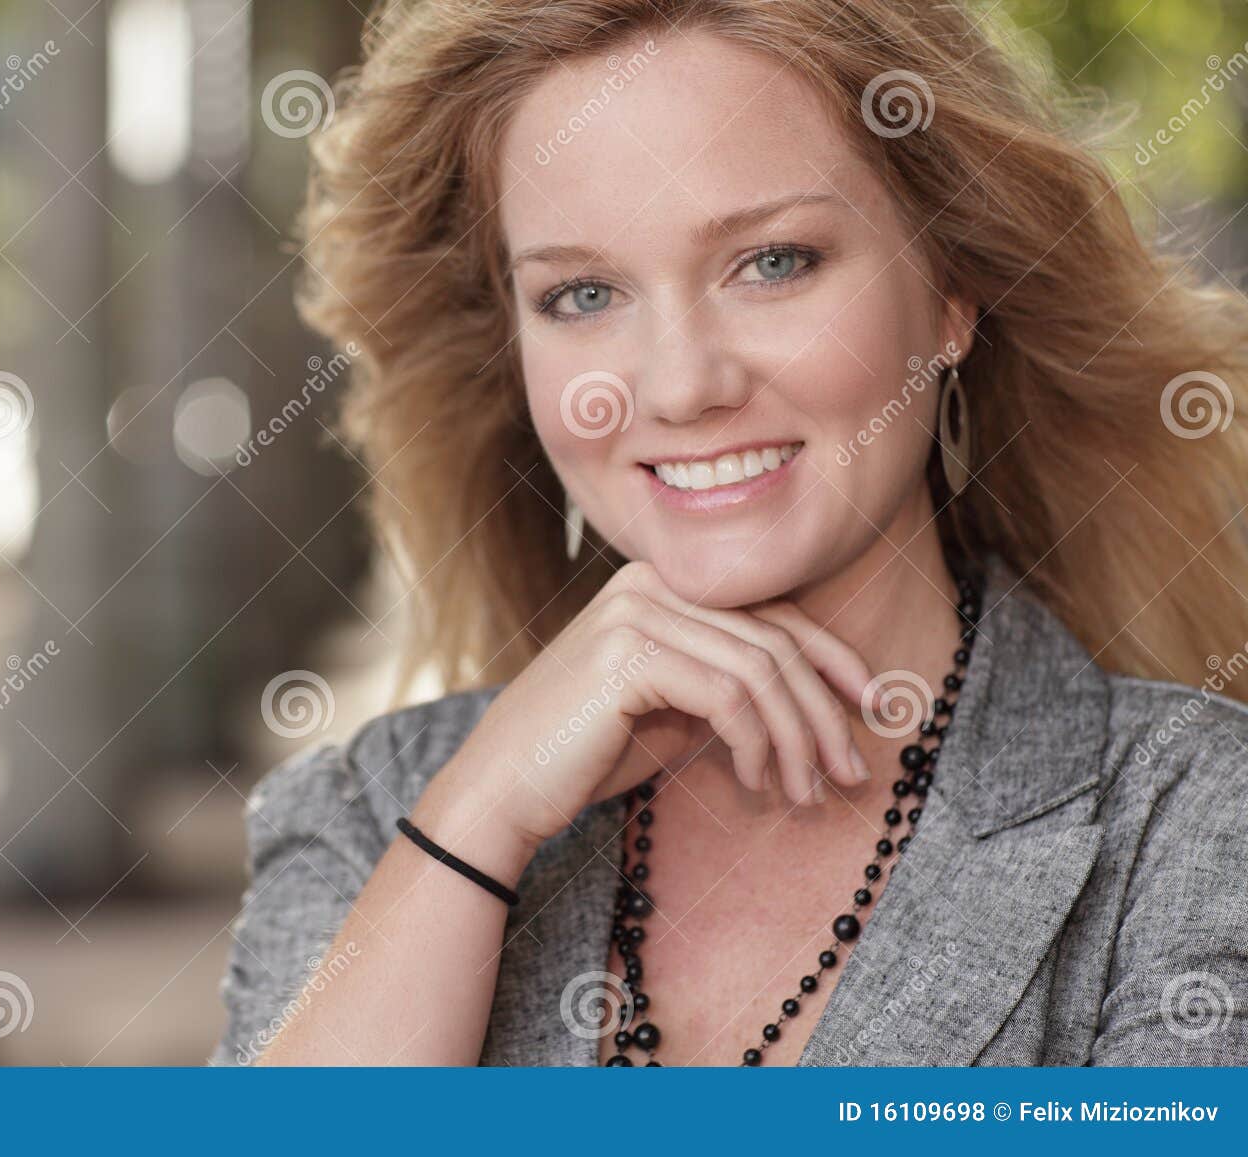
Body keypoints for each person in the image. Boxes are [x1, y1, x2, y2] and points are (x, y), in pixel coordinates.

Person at [210, 0, 1248, 1066]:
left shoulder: (1196, 820)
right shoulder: (368, 810)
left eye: (772, 262)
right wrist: (475, 822)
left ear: (950, 290)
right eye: (580, 293)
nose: (681, 385)